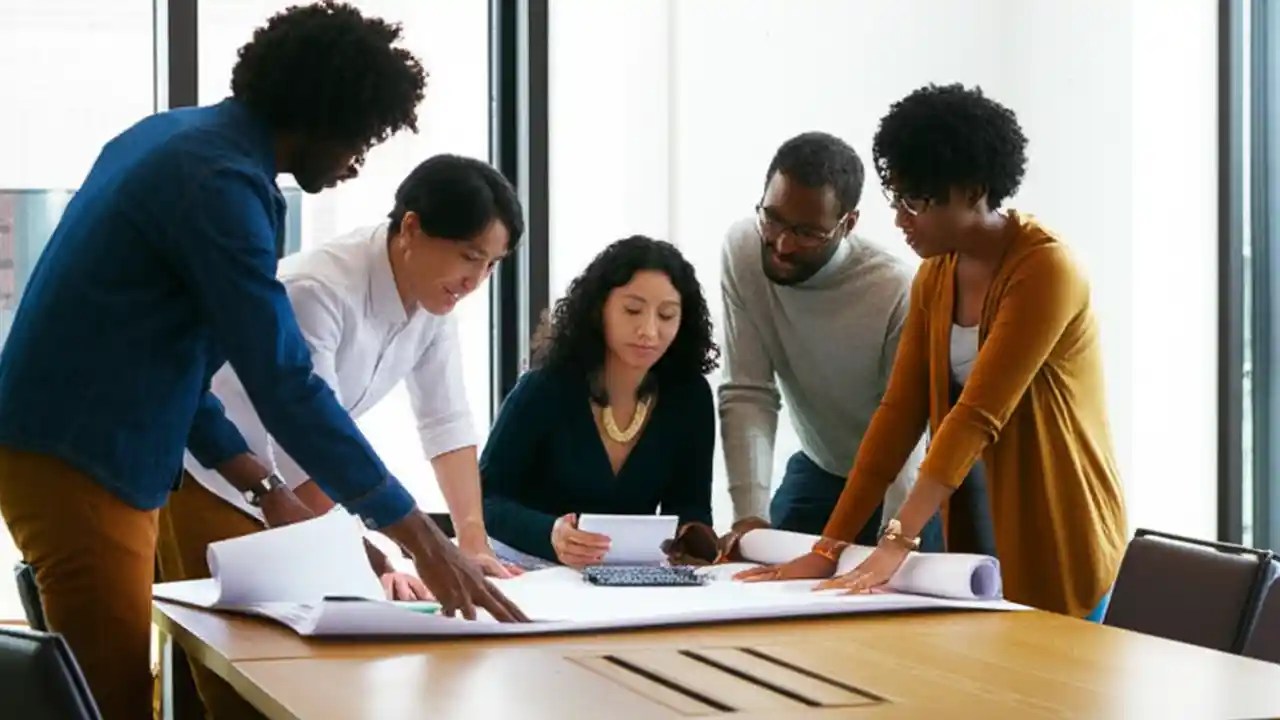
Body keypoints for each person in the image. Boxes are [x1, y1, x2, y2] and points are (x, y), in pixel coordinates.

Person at [0, 5, 524, 719]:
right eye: (359, 139)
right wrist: (417, 535)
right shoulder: (219, 184)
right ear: (322, 113)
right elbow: (283, 383)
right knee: (114, 697)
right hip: (82, 451)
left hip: (79, 440)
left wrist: (261, 483)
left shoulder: (179, 141)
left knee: (120, 683)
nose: (356, 162)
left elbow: (171, 362)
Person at [736, 84, 1127, 621]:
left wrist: (897, 537)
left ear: (972, 191)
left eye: (916, 202)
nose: (900, 219)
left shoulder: (1045, 270)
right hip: (977, 526)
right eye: (897, 198)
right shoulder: (934, 276)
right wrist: (828, 548)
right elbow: (898, 415)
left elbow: (975, 416)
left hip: (1059, 522)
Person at [158, 154, 523, 717]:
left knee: (316, 680)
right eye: (469, 256)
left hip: (306, 485)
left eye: (493, 264)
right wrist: (377, 552)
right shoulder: (318, 289)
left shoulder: (433, 299)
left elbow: (445, 420)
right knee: (238, 686)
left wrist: (471, 542)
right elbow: (311, 437)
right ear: (411, 229)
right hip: (218, 478)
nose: (475, 281)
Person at [719, 132, 942, 550]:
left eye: (806, 233)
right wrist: (749, 517)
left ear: (848, 224)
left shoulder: (896, 290)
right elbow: (748, 391)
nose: (782, 245)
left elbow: (909, 432)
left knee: (892, 599)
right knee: (758, 569)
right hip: (822, 465)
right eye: (773, 219)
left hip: (899, 476)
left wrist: (887, 548)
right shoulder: (744, 249)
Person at [481, 236, 719, 568]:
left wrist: (694, 542)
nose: (649, 331)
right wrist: (550, 533)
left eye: (667, 316)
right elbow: (486, 499)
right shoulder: (543, 388)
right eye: (632, 310)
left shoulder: (690, 396)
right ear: (598, 309)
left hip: (631, 576)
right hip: (531, 569)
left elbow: (691, 507)